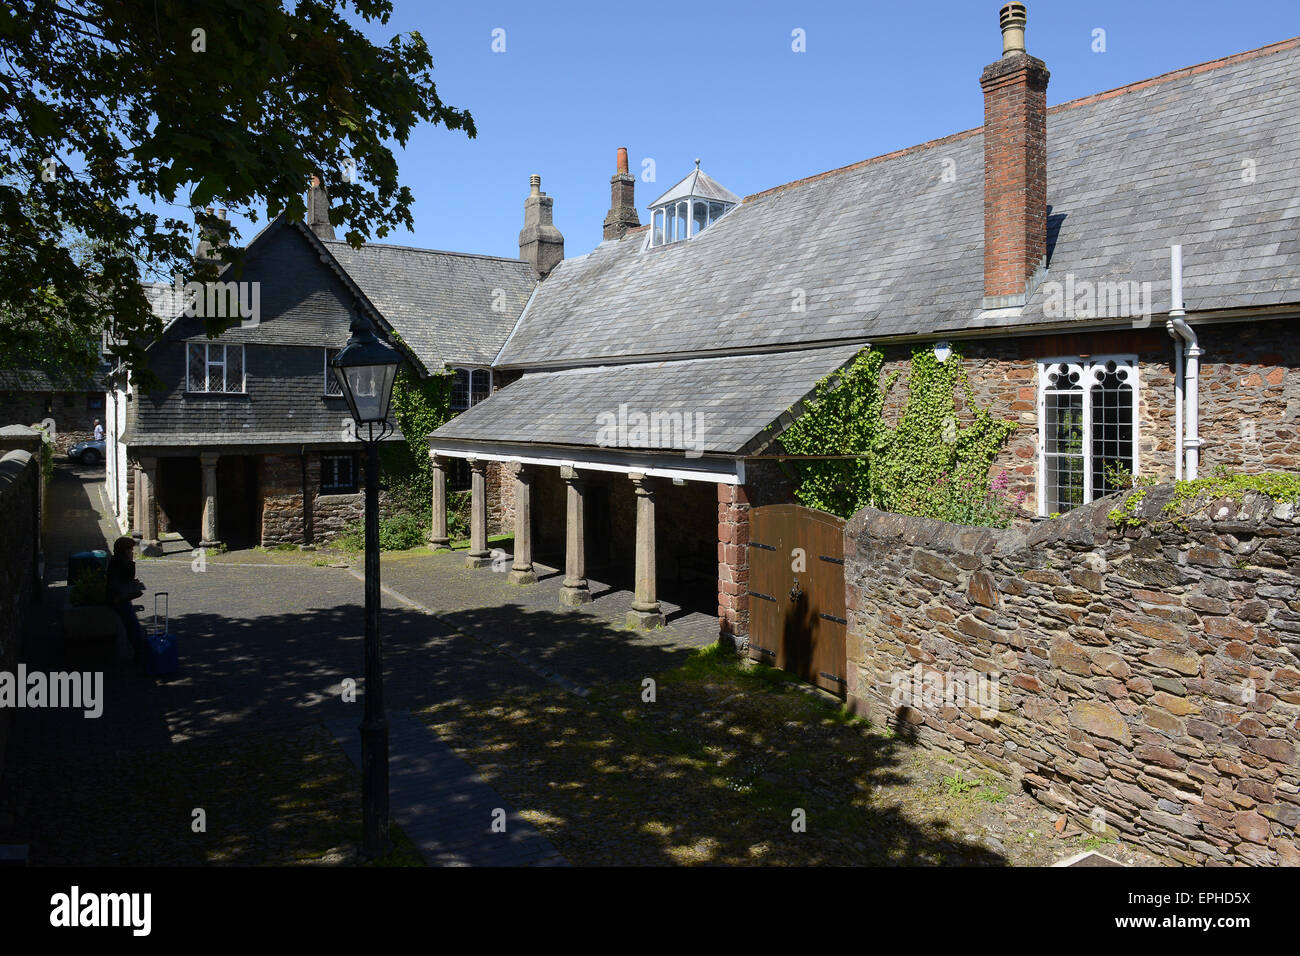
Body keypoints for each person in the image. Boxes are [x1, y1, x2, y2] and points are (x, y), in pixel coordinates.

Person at [107, 536, 146, 655]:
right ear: (125, 551)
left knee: (131, 626)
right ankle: (139, 653)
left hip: (117, 597)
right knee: (133, 627)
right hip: (120, 599)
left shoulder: (114, 560)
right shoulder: (124, 563)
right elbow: (127, 579)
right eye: (131, 550)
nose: (132, 552)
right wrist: (131, 561)